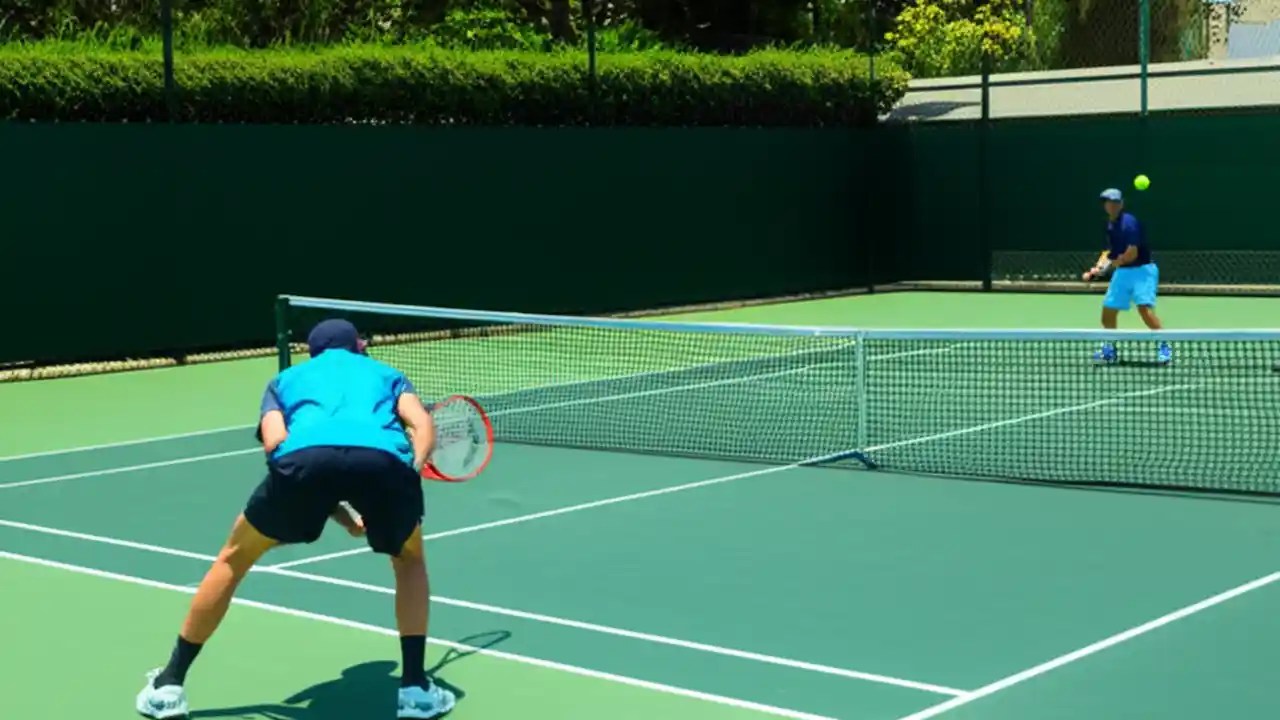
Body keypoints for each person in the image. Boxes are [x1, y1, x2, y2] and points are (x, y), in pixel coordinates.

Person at [135, 318, 457, 720]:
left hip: (303, 461)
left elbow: (278, 445)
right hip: (385, 463)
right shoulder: (387, 374)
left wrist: (334, 508)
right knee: (409, 560)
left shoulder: (285, 380)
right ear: (359, 348)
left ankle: (168, 686)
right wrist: (413, 470)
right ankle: (415, 691)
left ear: (313, 351)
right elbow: (422, 424)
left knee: (232, 559)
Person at [1081, 188, 1172, 365]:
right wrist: (1098, 268)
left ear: (1121, 204)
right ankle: (1110, 350)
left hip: (1142, 271)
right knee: (1108, 311)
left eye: (1115, 202)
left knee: (1144, 310)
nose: (1112, 205)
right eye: (1109, 202)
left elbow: (1132, 253)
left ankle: (1164, 346)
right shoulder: (1110, 225)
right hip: (1123, 273)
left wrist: (1114, 264)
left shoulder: (1129, 223)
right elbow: (1109, 252)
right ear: (1104, 205)